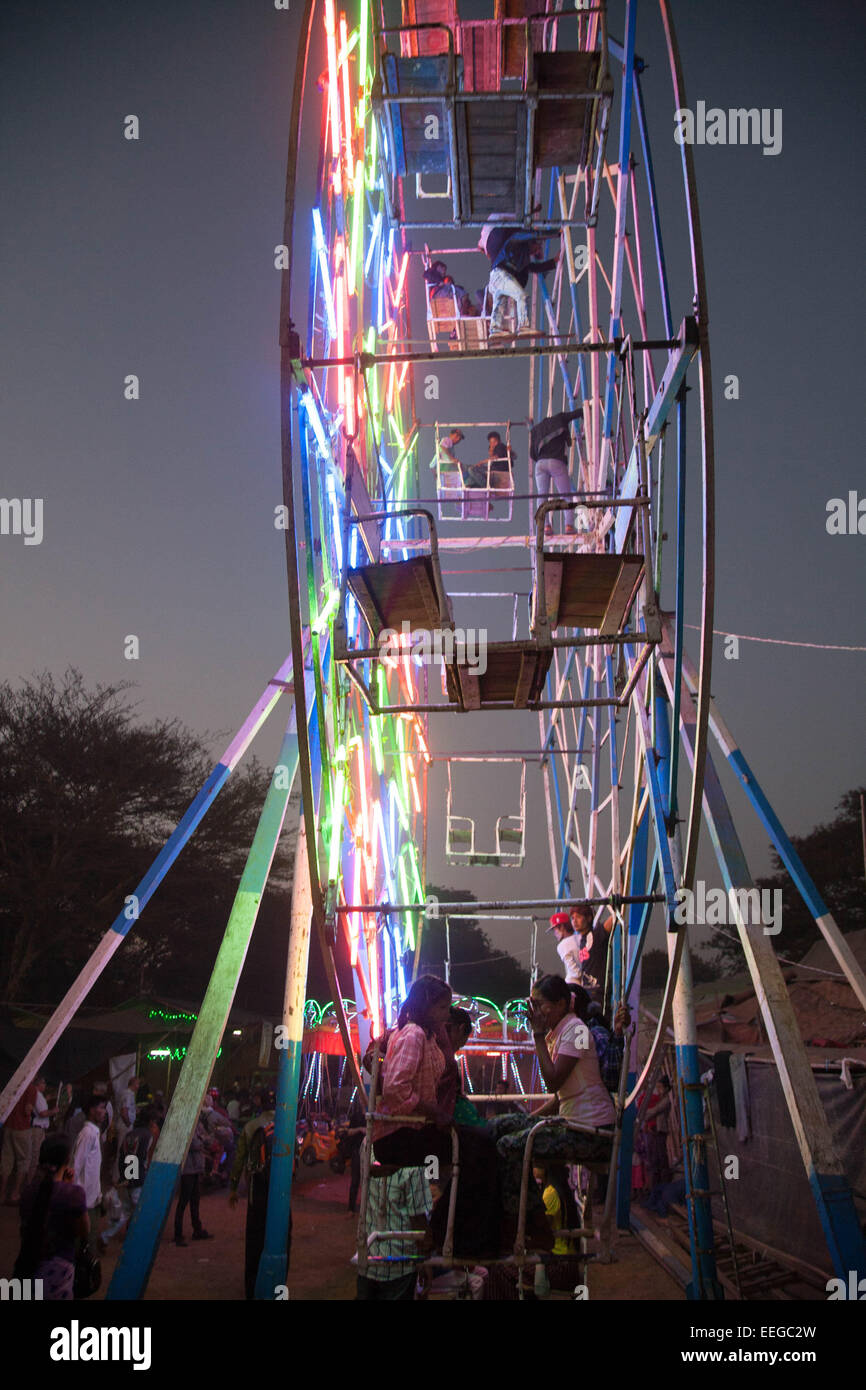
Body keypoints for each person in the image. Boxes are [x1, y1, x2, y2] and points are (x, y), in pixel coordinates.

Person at [488, 975, 615, 1239]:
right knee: (498, 1127)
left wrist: (537, 1035)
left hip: (590, 1132)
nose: (535, 1011)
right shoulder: (559, 1032)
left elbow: (553, 1081)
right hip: (573, 1123)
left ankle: (530, 1220)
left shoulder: (577, 1031)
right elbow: (561, 1097)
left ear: (560, 1004)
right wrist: (528, 1120)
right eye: (532, 1004)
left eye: (540, 1004)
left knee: (508, 1146)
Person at [229, 1089, 291, 1299]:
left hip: (258, 1195)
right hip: (281, 1196)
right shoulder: (287, 1125)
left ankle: (252, 1290)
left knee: (255, 1245)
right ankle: (278, 1290)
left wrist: (233, 1188)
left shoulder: (250, 1127)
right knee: (283, 1243)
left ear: (259, 1103)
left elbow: (239, 1161)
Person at [16, 1136, 88, 1300]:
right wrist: (69, 1186)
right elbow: (84, 1230)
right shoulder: (74, 1193)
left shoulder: (28, 1191)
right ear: (67, 1160)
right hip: (58, 1268)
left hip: (27, 1262)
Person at [479, 223, 559, 338]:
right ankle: (523, 327)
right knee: (521, 295)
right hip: (500, 274)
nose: (536, 251)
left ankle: (495, 329)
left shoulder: (523, 257)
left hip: (497, 277)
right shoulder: (515, 242)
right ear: (531, 242)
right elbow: (534, 234)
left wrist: (554, 261)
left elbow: (533, 268)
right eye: (537, 247)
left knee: (500, 302)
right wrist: (556, 233)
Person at [530, 408, 583, 535]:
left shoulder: (536, 429)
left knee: (542, 495)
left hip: (540, 464)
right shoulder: (560, 417)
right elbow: (578, 412)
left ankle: (546, 526)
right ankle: (569, 525)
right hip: (557, 461)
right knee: (566, 495)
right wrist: (588, 408)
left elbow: (532, 454)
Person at [173, 1115, 213, 1246]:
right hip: (188, 1169)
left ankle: (197, 1229)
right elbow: (195, 1144)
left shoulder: (196, 1126)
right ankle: (178, 1234)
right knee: (184, 1201)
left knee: (195, 1200)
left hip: (195, 1167)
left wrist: (201, 1140)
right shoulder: (186, 1126)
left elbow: (206, 1141)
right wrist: (202, 1140)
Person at [70, 1095, 105, 1237]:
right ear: (91, 1110)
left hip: (91, 1196)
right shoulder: (88, 1134)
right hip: (83, 1198)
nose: (105, 1112)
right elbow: (75, 1166)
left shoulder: (93, 1133)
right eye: (102, 1108)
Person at [1, 1079, 38, 1204]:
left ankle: (1, 1194)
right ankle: (15, 1194)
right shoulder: (31, 1088)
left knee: (6, 1161)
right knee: (24, 1160)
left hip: (8, 1126)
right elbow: (28, 1110)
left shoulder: (13, 1084)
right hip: (22, 1128)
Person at [569, 902, 615, 1001]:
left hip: (598, 992)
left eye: (578, 917)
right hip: (587, 993)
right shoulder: (582, 940)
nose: (574, 921)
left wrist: (619, 896)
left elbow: (615, 917)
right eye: (572, 918)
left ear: (589, 918)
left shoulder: (596, 935)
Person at [547, 910, 582, 984]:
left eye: (555, 929)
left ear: (562, 927)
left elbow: (575, 973)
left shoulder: (562, 945)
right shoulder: (581, 937)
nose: (554, 933)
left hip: (575, 985)